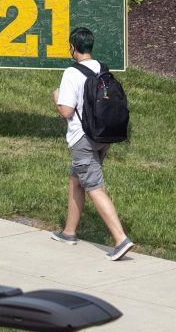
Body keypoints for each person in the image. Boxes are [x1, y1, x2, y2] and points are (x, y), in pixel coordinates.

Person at [51, 26, 135, 260]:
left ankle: (120, 239)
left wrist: (56, 97)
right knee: (76, 179)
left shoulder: (71, 73)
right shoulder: (101, 68)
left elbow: (66, 111)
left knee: (93, 186)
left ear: (72, 48)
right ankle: (69, 232)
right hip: (102, 135)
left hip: (83, 138)